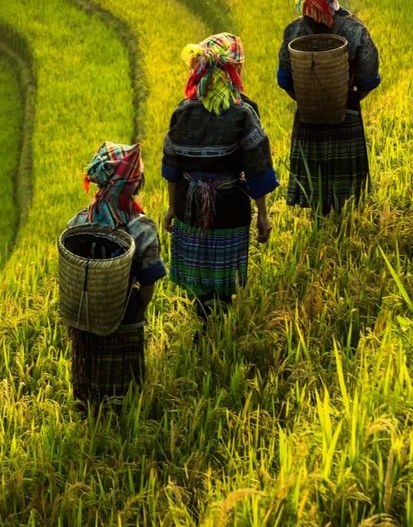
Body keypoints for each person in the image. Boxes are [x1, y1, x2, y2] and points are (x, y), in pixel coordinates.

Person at [162, 32, 278, 322]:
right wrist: (262, 215)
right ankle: (219, 327)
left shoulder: (183, 112)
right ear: (235, 70)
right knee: (224, 282)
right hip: (229, 206)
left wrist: (172, 207)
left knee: (199, 278)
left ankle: (204, 323)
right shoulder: (242, 113)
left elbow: (171, 166)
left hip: (189, 203)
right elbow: (257, 167)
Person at [276, 0, 382, 213]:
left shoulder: (294, 31)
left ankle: (320, 226)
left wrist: (307, 98)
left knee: (316, 192)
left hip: (307, 118)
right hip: (345, 115)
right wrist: (348, 99)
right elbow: (369, 77)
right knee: (347, 198)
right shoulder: (354, 29)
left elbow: (283, 79)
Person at [64, 141, 166, 404]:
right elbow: (148, 280)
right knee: (125, 390)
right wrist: (137, 308)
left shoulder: (78, 222)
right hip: (124, 313)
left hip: (85, 313)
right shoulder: (141, 228)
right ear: (134, 184)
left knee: (87, 383)